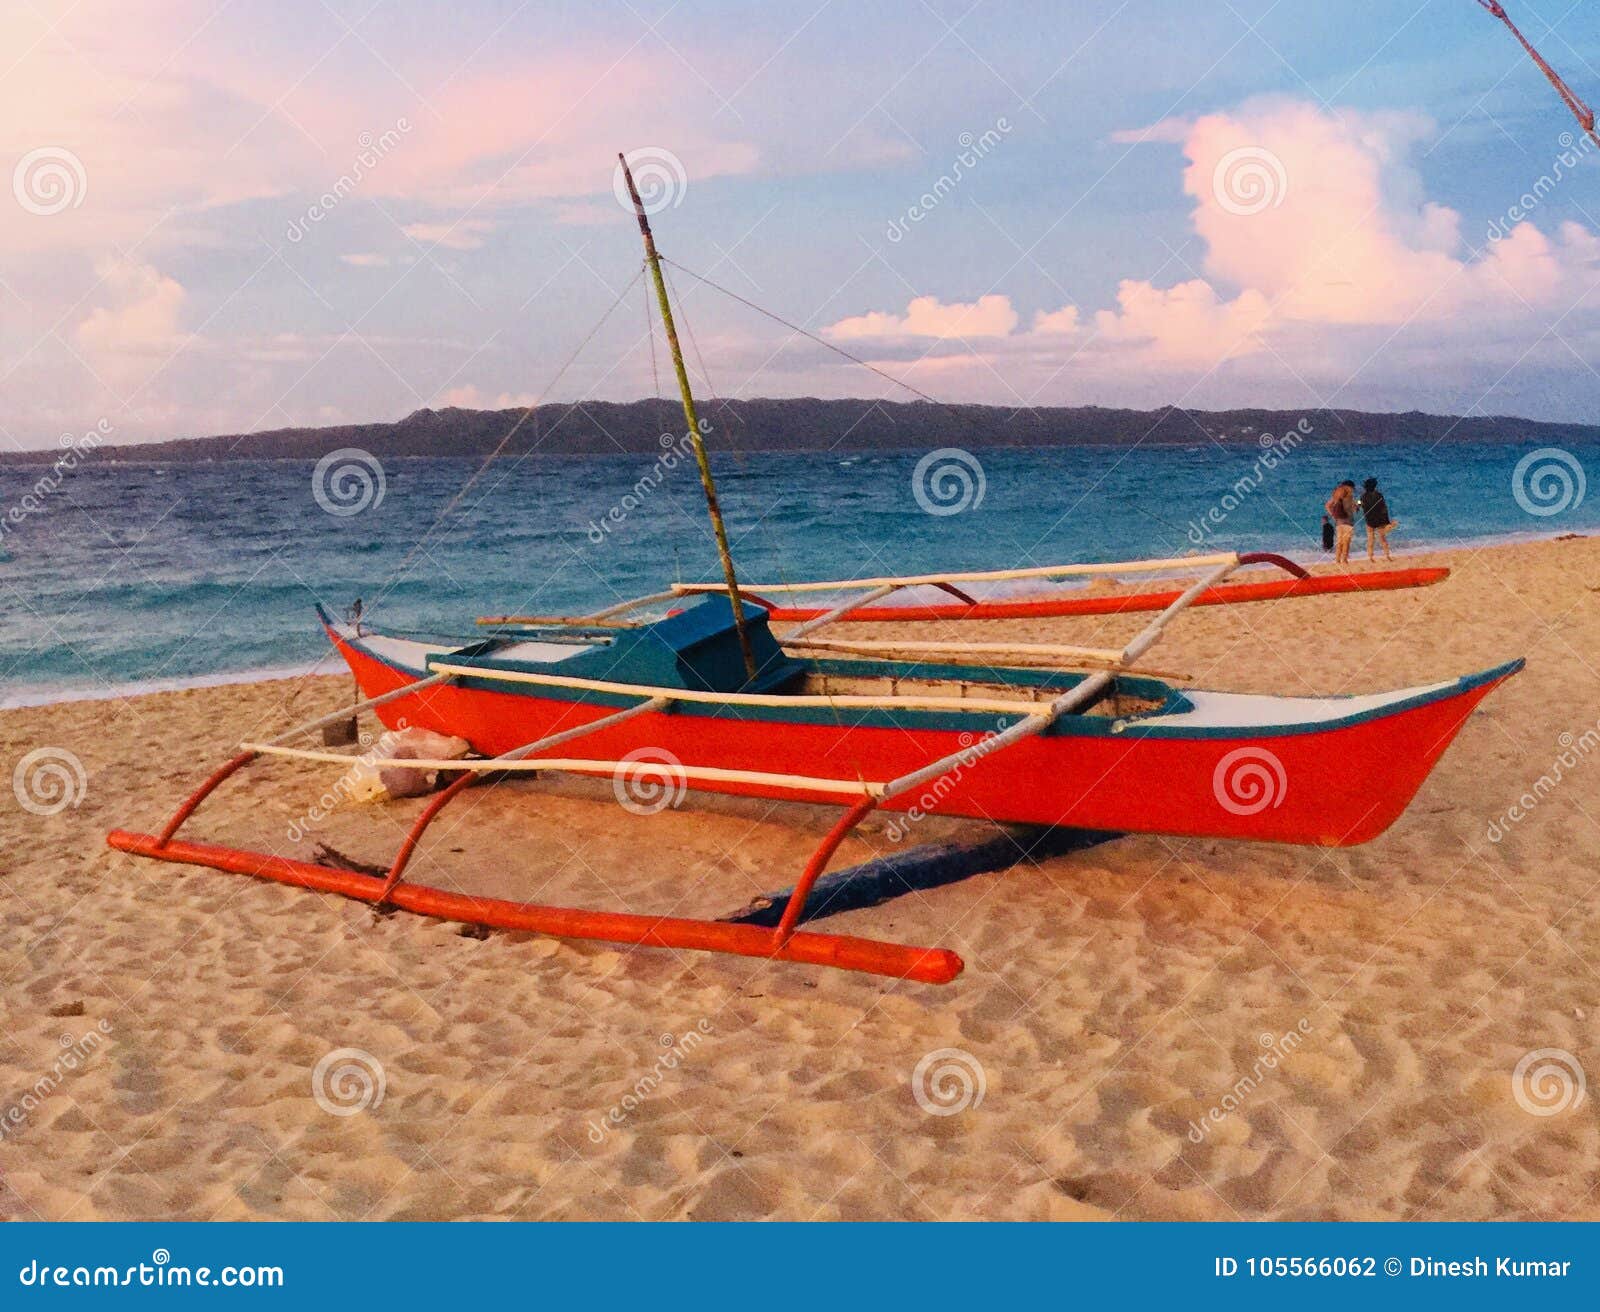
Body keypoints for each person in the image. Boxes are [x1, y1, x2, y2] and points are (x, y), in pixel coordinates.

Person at [1360, 476, 1395, 562]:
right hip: (1379, 520)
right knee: (1382, 538)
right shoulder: (1379, 495)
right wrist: (1387, 521)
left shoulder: (1363, 496)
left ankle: (1370, 557)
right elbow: (1384, 508)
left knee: (1370, 539)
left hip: (1369, 520)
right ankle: (1387, 555)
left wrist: (1358, 504)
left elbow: (1360, 504)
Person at [1325, 480, 1357, 565]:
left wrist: (1332, 515)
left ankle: (1337, 560)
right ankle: (1344, 560)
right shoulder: (1350, 496)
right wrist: (1359, 504)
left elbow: (1327, 505)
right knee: (1346, 542)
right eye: (1352, 488)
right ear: (1349, 487)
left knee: (1339, 542)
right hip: (1348, 522)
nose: (1353, 490)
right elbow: (1354, 509)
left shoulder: (1336, 496)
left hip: (1338, 522)